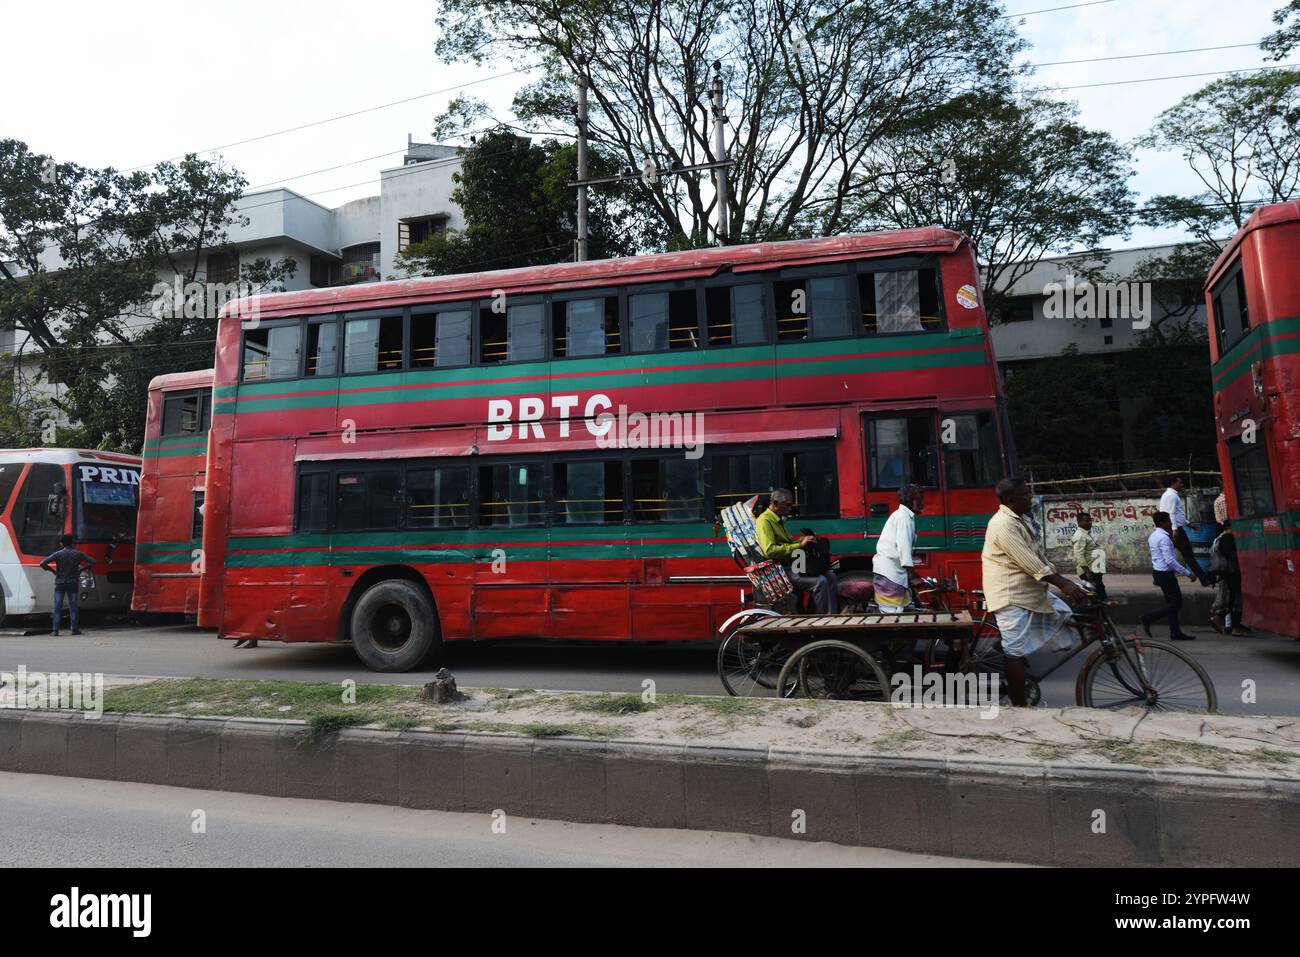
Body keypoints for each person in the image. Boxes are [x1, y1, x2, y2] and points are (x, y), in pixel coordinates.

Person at [981, 477, 1087, 707]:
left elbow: (1038, 556)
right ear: (1012, 500)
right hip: (1011, 594)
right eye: (1025, 494)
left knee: (1062, 613)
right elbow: (1029, 561)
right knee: (1014, 651)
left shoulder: (1020, 520)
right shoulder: (1003, 524)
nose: (1030, 498)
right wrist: (1062, 584)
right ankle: (1020, 706)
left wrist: (1064, 580)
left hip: (1029, 591)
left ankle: (1003, 645)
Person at [756, 488, 839, 614]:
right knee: (820, 582)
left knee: (830, 576)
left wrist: (805, 540)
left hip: (793, 565)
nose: (789, 509)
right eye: (787, 506)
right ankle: (824, 619)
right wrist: (800, 544)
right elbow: (770, 551)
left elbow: (787, 544)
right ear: (775, 504)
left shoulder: (778, 519)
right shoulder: (764, 521)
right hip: (781, 570)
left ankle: (831, 614)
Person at [1141, 511, 1194, 641]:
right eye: (1168, 521)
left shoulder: (1154, 535)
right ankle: (1148, 617)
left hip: (1159, 573)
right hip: (1165, 574)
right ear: (1162, 523)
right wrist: (1188, 573)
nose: (1170, 523)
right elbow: (1170, 561)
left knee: (1172, 604)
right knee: (1176, 604)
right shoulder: (1164, 538)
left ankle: (1175, 632)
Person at [873, 484, 923, 613]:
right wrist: (912, 575)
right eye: (920, 500)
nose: (922, 503)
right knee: (892, 615)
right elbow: (904, 550)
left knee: (896, 612)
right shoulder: (903, 518)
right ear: (912, 500)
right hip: (891, 573)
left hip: (890, 572)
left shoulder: (902, 515)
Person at [40, 534, 96, 636]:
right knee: (73, 607)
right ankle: (74, 629)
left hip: (60, 583)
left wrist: (53, 571)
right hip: (72, 583)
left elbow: (42, 563)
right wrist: (81, 570)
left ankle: (55, 630)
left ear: (62, 543)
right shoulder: (78, 554)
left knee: (57, 607)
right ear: (72, 543)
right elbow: (93, 562)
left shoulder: (57, 554)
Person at [1160, 475, 1209, 586]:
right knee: (1188, 556)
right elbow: (1171, 513)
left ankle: (1162, 578)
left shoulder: (1166, 495)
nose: (1182, 485)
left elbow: (1177, 515)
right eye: (1180, 482)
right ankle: (1204, 580)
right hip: (1175, 530)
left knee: (1169, 556)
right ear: (1174, 483)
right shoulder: (1172, 496)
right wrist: (1175, 530)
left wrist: (1189, 524)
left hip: (1171, 529)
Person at [1209, 521, 1249, 636]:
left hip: (1227, 573)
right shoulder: (1227, 537)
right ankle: (1230, 624)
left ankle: (1229, 624)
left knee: (1231, 599)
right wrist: (1242, 554)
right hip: (1231, 573)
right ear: (1229, 527)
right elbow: (1229, 554)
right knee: (1234, 600)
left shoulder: (1220, 537)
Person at [1071, 512, 1108, 601]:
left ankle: (1095, 609)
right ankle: (1088, 610)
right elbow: (1079, 555)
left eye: (1090, 520)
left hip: (1094, 569)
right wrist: (1087, 572)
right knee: (1097, 594)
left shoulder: (1085, 534)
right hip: (1089, 571)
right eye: (1086, 521)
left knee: (1094, 593)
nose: (1089, 523)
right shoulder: (1080, 536)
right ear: (1079, 522)